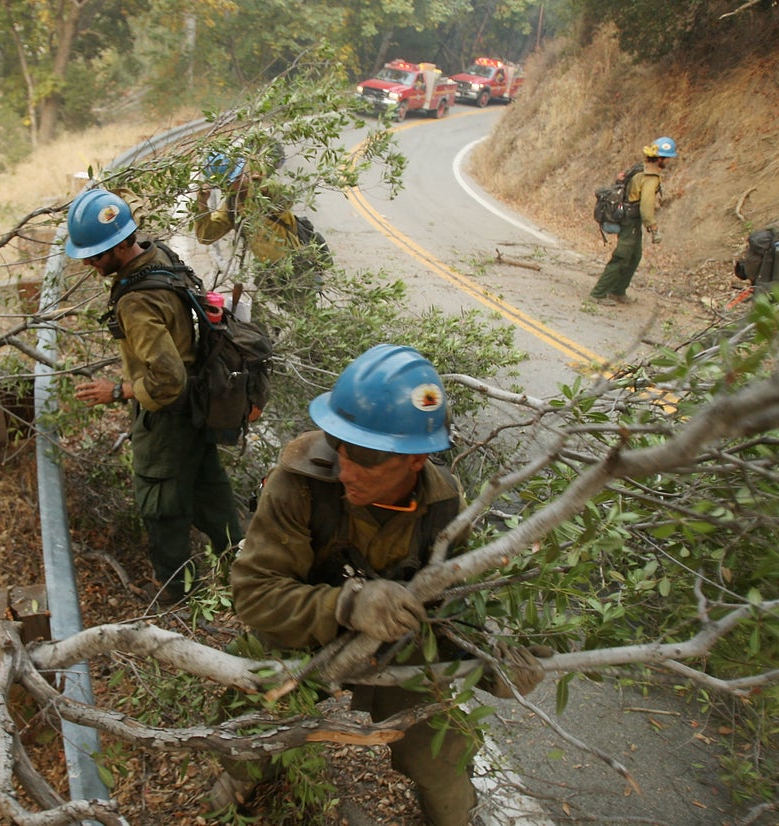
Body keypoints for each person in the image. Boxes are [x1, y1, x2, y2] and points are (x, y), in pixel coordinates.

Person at [221, 343, 552, 825]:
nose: (347, 470)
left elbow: (449, 610)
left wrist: (490, 662)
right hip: (303, 634)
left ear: (415, 461)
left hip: (399, 645)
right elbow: (255, 592)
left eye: (367, 458)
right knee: (249, 721)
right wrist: (348, 605)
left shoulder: (441, 503)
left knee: (442, 755)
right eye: (341, 447)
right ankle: (236, 784)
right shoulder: (300, 483)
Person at [67, 187, 245, 602]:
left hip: (167, 414)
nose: (91, 264)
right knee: (209, 488)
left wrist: (119, 390)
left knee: (160, 502)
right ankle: (243, 574)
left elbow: (166, 381)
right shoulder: (157, 254)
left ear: (119, 244)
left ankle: (176, 591)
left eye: (96, 255)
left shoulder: (136, 301)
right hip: (198, 401)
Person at [193, 153, 327, 301]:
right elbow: (206, 236)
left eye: (240, 175)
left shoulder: (264, 190)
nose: (239, 181)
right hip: (271, 272)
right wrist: (202, 205)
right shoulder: (232, 205)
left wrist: (259, 186)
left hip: (296, 265)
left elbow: (287, 198)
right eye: (232, 181)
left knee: (304, 310)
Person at [589, 136, 677, 306]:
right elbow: (646, 207)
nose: (669, 161)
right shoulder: (650, 177)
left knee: (635, 256)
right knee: (622, 256)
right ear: (660, 158)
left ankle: (618, 291)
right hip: (630, 220)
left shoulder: (640, 168)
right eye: (667, 158)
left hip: (629, 219)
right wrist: (653, 227)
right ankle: (598, 293)